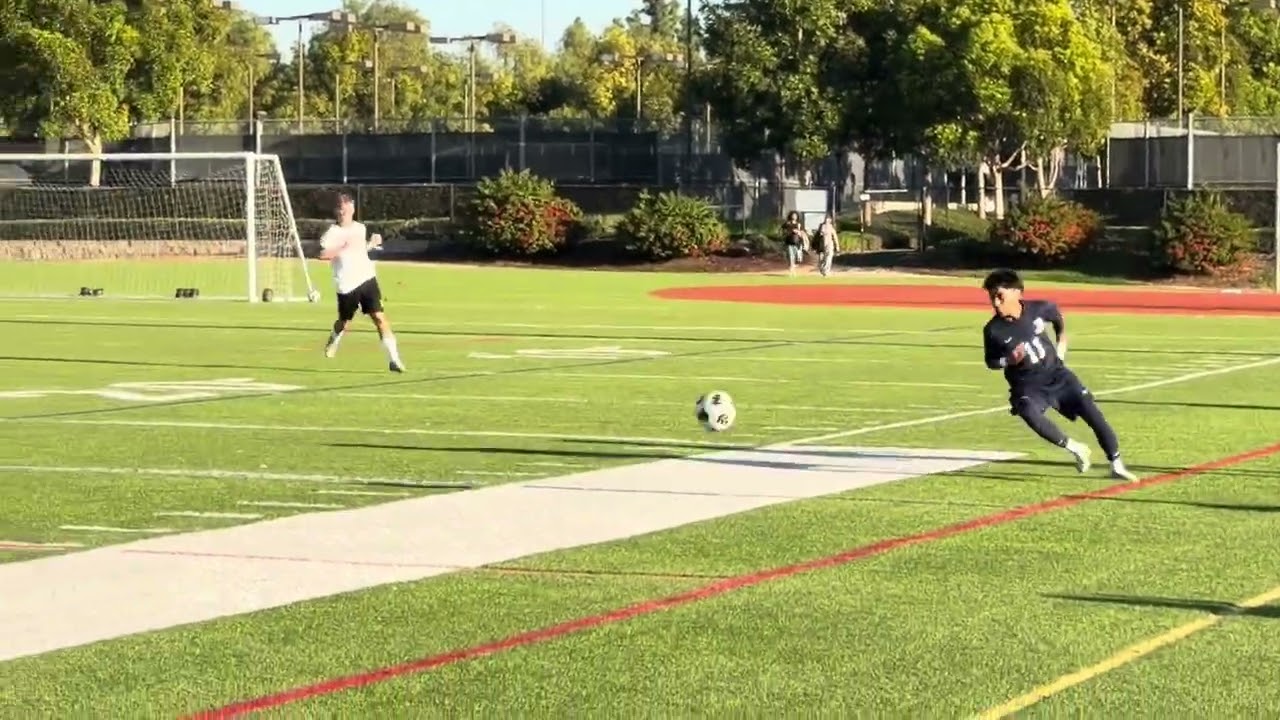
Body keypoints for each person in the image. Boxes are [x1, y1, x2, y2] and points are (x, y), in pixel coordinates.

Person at [980, 268, 1135, 481]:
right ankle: (1076, 448)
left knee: (1092, 412)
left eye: (1000, 296)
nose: (995, 303)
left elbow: (1057, 318)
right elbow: (991, 362)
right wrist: (1010, 360)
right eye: (991, 297)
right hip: (1027, 385)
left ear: (1017, 293)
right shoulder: (993, 330)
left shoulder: (1039, 308)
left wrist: (1062, 342)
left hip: (1057, 375)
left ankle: (1116, 464)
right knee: (1027, 410)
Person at [319, 192, 405, 373]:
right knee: (344, 322)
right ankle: (335, 337)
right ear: (337, 211)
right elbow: (323, 255)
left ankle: (394, 359)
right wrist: (342, 246)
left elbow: (360, 252)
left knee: (380, 318)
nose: (343, 212)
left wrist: (371, 244)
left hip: (366, 278)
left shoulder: (360, 228)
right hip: (346, 285)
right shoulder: (332, 233)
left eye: (347, 208)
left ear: (352, 209)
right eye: (340, 209)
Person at [781, 211, 807, 276]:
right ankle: (791, 269)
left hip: (798, 243)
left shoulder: (799, 224)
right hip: (789, 242)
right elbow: (783, 232)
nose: (794, 217)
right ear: (790, 216)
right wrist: (790, 231)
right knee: (790, 256)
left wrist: (799, 232)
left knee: (798, 258)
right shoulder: (787, 224)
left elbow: (803, 233)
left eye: (795, 215)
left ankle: (793, 266)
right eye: (793, 215)